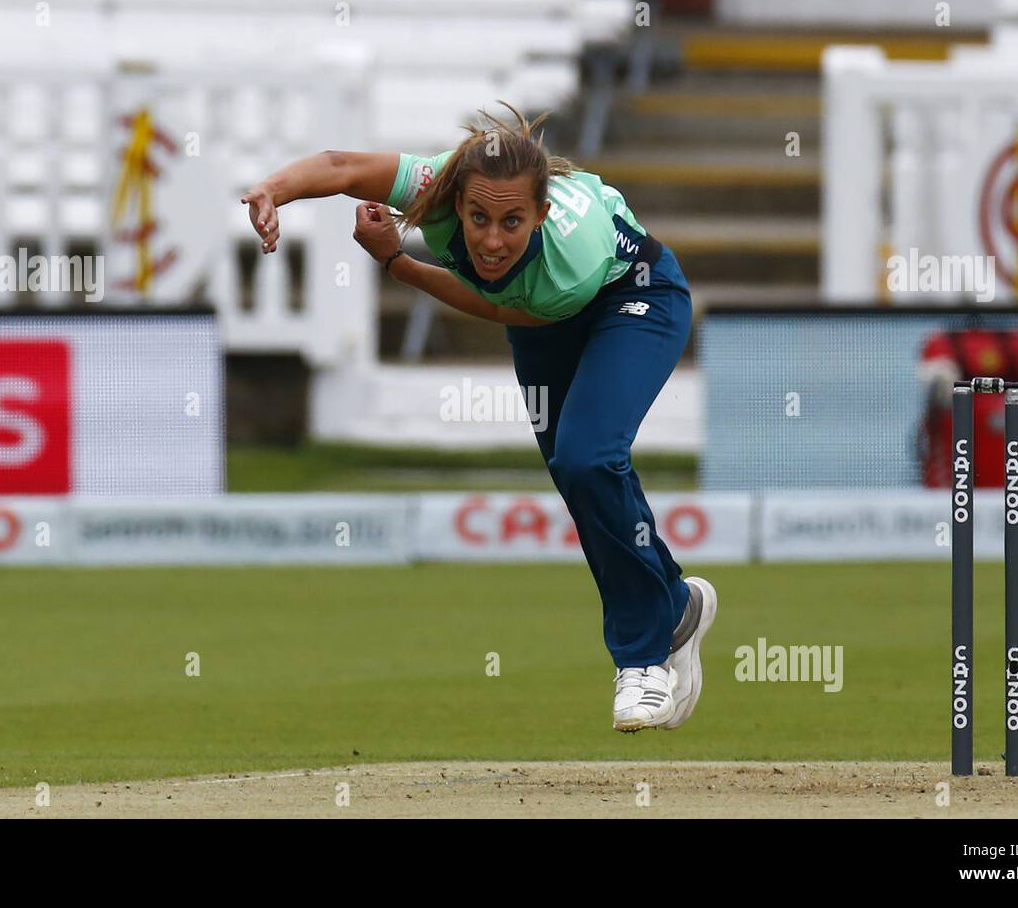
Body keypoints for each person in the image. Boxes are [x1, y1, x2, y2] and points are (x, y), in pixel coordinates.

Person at [241, 102, 718, 732]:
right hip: (538, 317)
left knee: (587, 455)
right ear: (454, 200)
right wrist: (272, 191)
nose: (492, 240)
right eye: (478, 218)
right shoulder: (438, 184)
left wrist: (396, 262)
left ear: (541, 214)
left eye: (512, 222)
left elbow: (501, 308)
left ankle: (643, 660)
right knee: (580, 474)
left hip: (633, 297)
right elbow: (342, 166)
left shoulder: (568, 256)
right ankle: (675, 604)